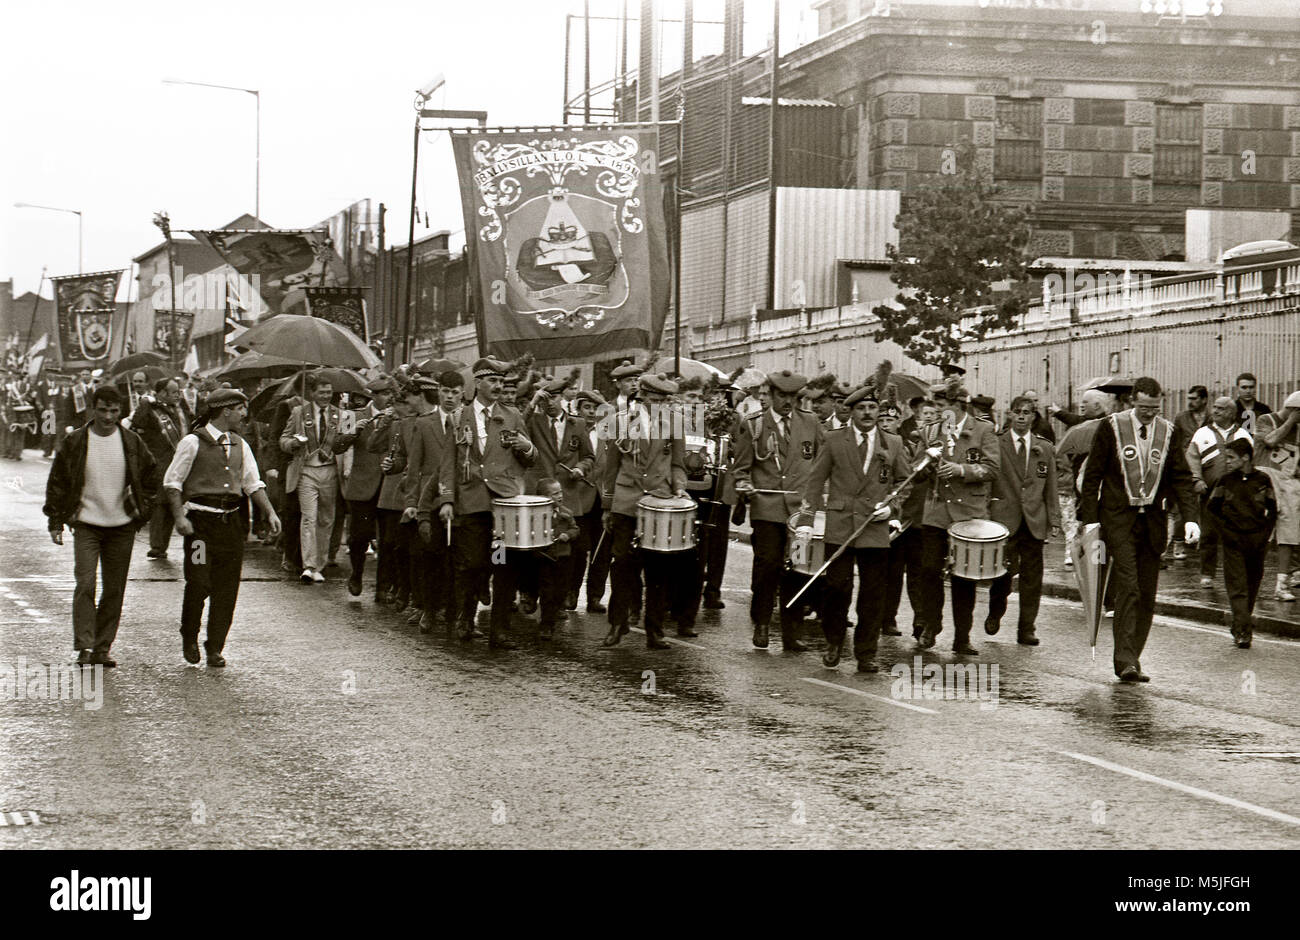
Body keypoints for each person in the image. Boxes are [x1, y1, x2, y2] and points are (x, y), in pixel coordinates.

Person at [1078, 376, 1200, 683]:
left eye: (1154, 408)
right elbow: (1093, 475)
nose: (1149, 413)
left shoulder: (1168, 431)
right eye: (1144, 407)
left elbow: (1181, 478)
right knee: (1128, 586)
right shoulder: (1111, 427)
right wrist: (1090, 520)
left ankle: (1134, 656)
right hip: (1118, 518)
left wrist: (1191, 518)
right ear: (1133, 400)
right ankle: (1125, 660)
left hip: (1153, 522)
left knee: (1146, 592)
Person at [163, 388, 281, 667]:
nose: (244, 414)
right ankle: (189, 635)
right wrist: (180, 518)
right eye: (240, 408)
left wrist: (271, 513)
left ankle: (215, 646)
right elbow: (172, 482)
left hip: (231, 525)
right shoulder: (192, 442)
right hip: (200, 528)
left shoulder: (241, 444)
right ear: (225, 410)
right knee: (199, 582)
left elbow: (253, 484)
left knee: (227, 588)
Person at [425, 357, 536, 650]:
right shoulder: (459, 416)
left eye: (502, 382)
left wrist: (527, 447)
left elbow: (529, 458)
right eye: (493, 381)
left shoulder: (512, 415)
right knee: (471, 564)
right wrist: (447, 499)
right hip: (471, 503)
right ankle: (465, 617)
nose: (498, 386)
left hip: (503, 506)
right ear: (478, 383)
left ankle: (499, 630)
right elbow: (447, 462)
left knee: (502, 566)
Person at [44, 385, 159, 667]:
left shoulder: (131, 442)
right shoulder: (75, 441)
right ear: (93, 409)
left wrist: (141, 512)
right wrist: (55, 520)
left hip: (121, 526)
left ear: (121, 411)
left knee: (114, 588)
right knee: (85, 583)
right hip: (86, 524)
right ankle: (84, 647)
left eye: (114, 411)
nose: (108, 417)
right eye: (103, 410)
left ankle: (102, 647)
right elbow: (58, 481)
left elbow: (152, 477)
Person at [802, 384, 912, 672]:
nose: (867, 413)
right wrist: (805, 520)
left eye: (872, 408)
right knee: (837, 587)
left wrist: (893, 509)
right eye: (861, 408)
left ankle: (866, 652)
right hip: (841, 524)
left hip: (874, 527)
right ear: (851, 412)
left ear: (879, 411)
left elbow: (905, 483)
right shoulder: (834, 439)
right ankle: (834, 641)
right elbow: (814, 481)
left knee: (873, 593)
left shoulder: (893, 443)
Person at [733, 370, 823, 651]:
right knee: (768, 566)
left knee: (797, 568)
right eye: (781, 396)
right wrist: (744, 484)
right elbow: (741, 468)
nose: (787, 402)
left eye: (792, 397)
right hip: (768, 509)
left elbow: (823, 462)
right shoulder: (754, 425)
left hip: (800, 514)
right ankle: (761, 624)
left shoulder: (811, 423)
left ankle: (790, 631)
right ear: (770, 396)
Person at [599, 372, 689, 649]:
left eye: (664, 400)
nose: (659, 405)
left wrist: (680, 488)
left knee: (658, 571)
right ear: (642, 398)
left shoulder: (675, 423)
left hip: (659, 503)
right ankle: (617, 624)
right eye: (654, 400)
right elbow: (610, 469)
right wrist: (607, 507)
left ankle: (654, 630)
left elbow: (678, 464)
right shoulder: (621, 422)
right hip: (627, 502)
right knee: (622, 565)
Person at [913, 377, 1001, 655]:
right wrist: (925, 466)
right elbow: (914, 470)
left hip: (969, 513)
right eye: (935, 406)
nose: (937, 411)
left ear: (958, 405)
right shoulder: (931, 431)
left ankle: (962, 636)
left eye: (942, 406)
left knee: (964, 577)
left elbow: (992, 469)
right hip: (937, 511)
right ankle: (931, 623)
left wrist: (962, 470)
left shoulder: (983, 430)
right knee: (928, 570)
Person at [985, 396, 1061, 645]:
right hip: (1004, 520)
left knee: (1032, 577)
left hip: (1034, 521)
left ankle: (1027, 627)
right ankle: (996, 611)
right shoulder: (997, 444)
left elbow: (1050, 487)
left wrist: (1054, 519)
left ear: (1033, 417)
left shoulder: (1045, 447)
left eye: (1027, 413)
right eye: (1017, 412)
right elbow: (989, 481)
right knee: (1003, 573)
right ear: (1009, 414)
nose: (1021, 417)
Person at [523, 375, 594, 612]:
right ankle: (529, 593)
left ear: (563, 397)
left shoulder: (578, 425)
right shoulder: (535, 422)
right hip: (540, 494)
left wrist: (579, 469)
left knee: (568, 553)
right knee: (535, 549)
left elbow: (588, 457)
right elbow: (517, 429)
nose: (550, 403)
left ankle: (558, 600)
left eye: (554, 397)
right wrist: (532, 403)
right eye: (546, 399)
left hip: (568, 496)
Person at [406, 370, 462, 631]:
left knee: (459, 560)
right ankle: (428, 609)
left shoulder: (467, 422)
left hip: (463, 500)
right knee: (431, 556)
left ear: (462, 394)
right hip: (433, 500)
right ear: (438, 392)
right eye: (445, 392)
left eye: (455, 392)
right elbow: (414, 466)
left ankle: (455, 610)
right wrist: (413, 503)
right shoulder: (425, 423)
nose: (449, 397)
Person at [1207, 438, 1275, 649]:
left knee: (1252, 585)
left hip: (1257, 541)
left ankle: (1240, 624)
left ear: (1245, 458)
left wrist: (1264, 535)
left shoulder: (1263, 480)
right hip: (1233, 541)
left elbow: (1273, 509)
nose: (1227, 461)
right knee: (1237, 587)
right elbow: (1213, 509)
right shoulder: (1225, 481)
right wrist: (1226, 533)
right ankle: (1243, 631)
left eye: (1231, 457)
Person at [280, 373, 348, 584]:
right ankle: (308, 565)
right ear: (312, 393)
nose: (326, 396)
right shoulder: (300, 412)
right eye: (322, 392)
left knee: (326, 519)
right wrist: (292, 444)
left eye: (329, 392)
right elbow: (283, 438)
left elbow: (346, 444)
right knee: (308, 517)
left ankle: (320, 564)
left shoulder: (341, 415)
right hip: (307, 470)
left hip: (330, 471)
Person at [1186, 396, 1252, 587]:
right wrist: (1196, 480)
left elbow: (1250, 462)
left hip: (1236, 496)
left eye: (1221, 409)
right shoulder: (1201, 434)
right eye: (1214, 407)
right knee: (1208, 535)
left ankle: (1237, 574)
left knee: (1236, 537)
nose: (1215, 411)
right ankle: (1207, 574)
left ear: (1231, 413)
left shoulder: (1243, 435)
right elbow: (1192, 459)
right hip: (1210, 495)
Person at [340, 375, 395, 598]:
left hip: (389, 484)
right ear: (373, 396)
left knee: (389, 539)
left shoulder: (398, 417)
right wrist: (353, 432)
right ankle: (356, 573)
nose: (389, 398)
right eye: (384, 394)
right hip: (362, 487)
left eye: (391, 393)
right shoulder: (352, 415)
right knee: (359, 536)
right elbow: (337, 445)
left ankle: (383, 586)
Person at [129, 378, 188, 560]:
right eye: (174, 392)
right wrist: (146, 404)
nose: (178, 395)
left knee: (174, 502)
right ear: (162, 393)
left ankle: (162, 545)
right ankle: (156, 545)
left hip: (179, 461)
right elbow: (136, 424)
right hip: (159, 462)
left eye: (178, 392)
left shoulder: (179, 408)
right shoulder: (150, 409)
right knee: (160, 503)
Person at [1252, 391, 1300, 601]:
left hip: (1289, 484)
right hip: (1265, 479)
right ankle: (1253, 580)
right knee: (1260, 534)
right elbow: (1271, 440)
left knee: (1289, 534)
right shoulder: (1266, 419)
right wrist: (1291, 421)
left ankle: (1281, 585)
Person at [570, 391, 611, 613]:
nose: (592, 413)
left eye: (595, 409)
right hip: (578, 496)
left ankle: (595, 596)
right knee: (578, 548)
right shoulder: (573, 430)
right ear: (578, 409)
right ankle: (571, 592)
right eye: (587, 407)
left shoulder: (606, 432)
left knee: (601, 550)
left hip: (601, 497)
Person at [528, 477, 580, 640]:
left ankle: (554, 612)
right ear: (544, 497)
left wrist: (568, 535)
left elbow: (576, 529)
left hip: (563, 557)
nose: (560, 496)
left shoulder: (566, 513)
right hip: (545, 558)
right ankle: (546, 625)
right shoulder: (536, 515)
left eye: (560, 492)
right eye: (555, 493)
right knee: (547, 591)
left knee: (561, 590)